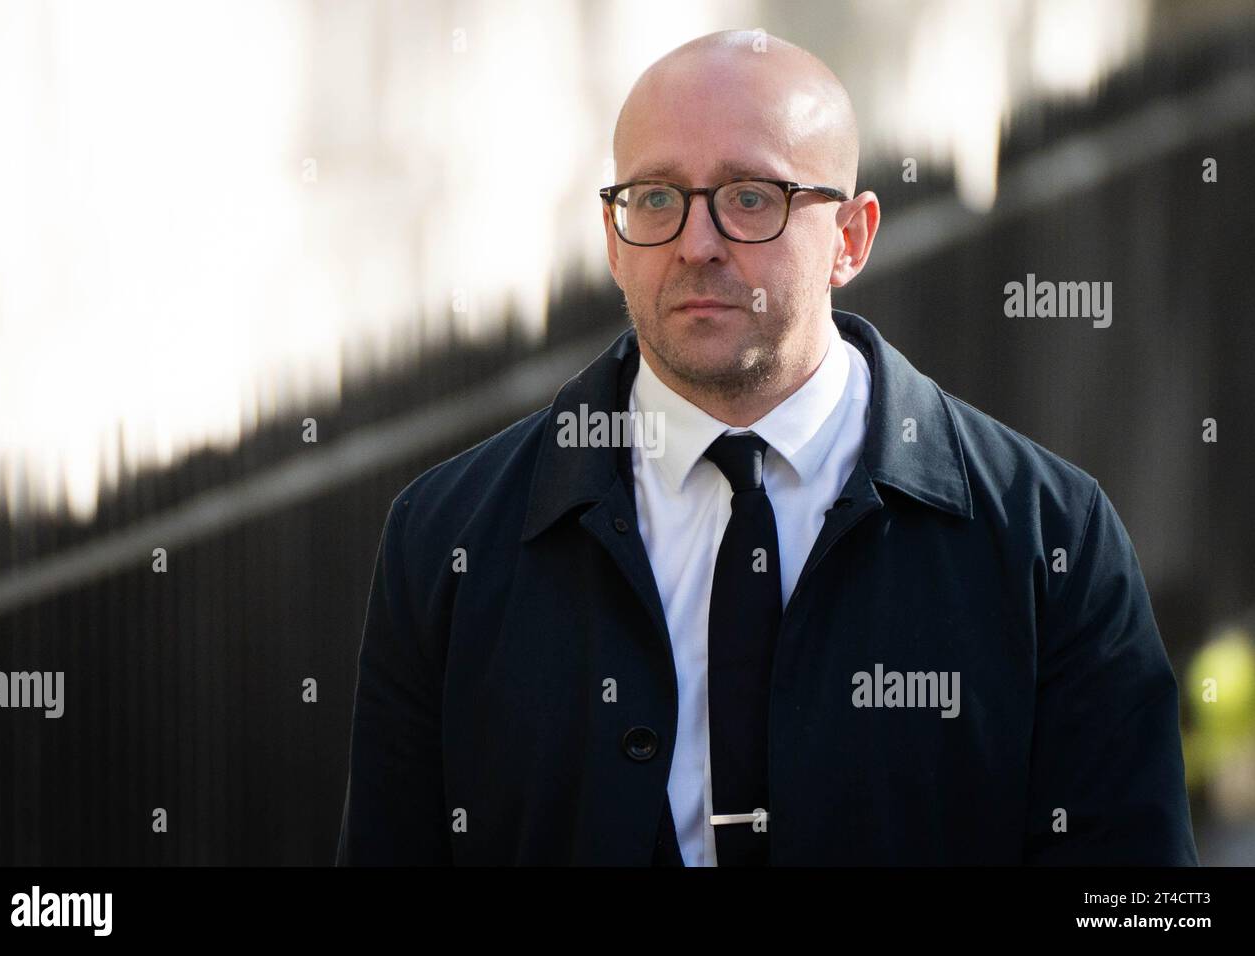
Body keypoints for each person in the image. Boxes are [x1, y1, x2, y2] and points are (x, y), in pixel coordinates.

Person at [336, 30, 1198, 866]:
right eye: (656, 198)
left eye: (752, 196)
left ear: (851, 239)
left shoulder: (1050, 535)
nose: (696, 242)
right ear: (611, 238)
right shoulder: (447, 538)